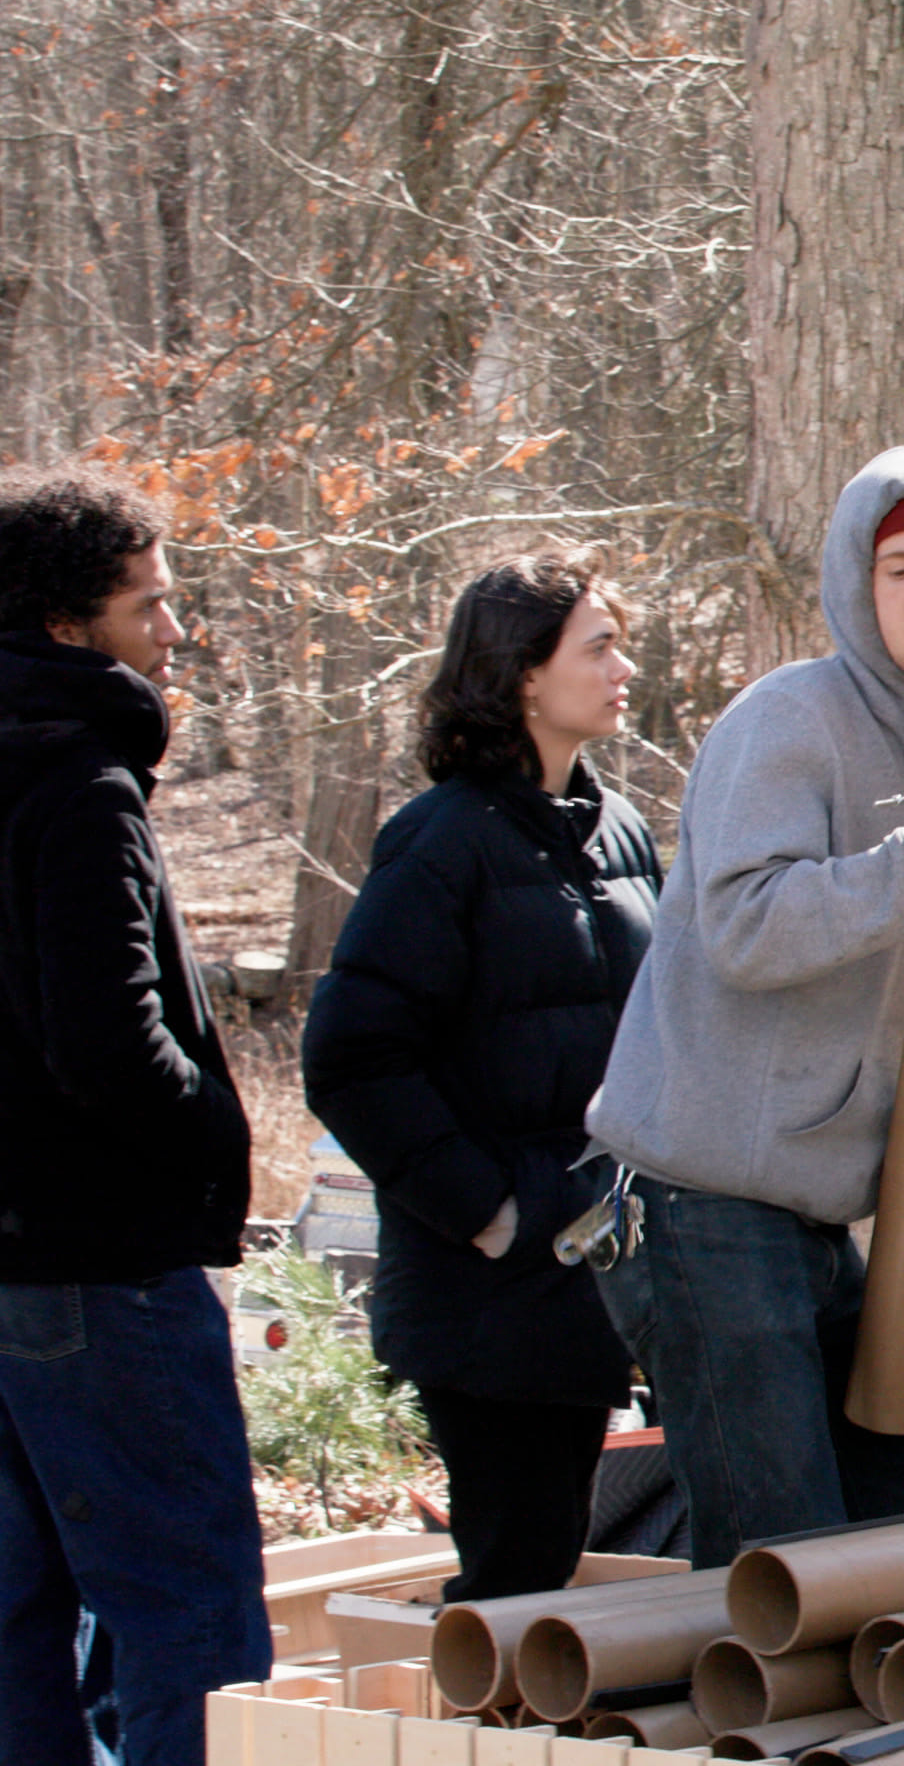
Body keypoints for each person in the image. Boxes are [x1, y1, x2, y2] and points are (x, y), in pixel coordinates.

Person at [582, 454, 904, 1566]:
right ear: (858, 583)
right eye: (899, 569)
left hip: (811, 1216)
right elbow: (746, 928)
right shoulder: (787, 719)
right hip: (700, 1206)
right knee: (779, 1568)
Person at [302, 554, 663, 1602]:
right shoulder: (441, 840)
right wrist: (492, 1209)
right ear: (521, 677)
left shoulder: (620, 829)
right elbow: (350, 1057)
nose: (623, 666)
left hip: (594, 1275)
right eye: (598, 646)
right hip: (487, 1290)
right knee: (512, 1577)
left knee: (545, 1566)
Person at [0, 463, 269, 1766]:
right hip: (99, 1267)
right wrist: (217, 1144)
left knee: (18, 1633)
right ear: (66, 626)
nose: (172, 631)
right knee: (189, 1621)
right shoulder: (78, 785)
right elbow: (110, 1042)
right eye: (147, 605)